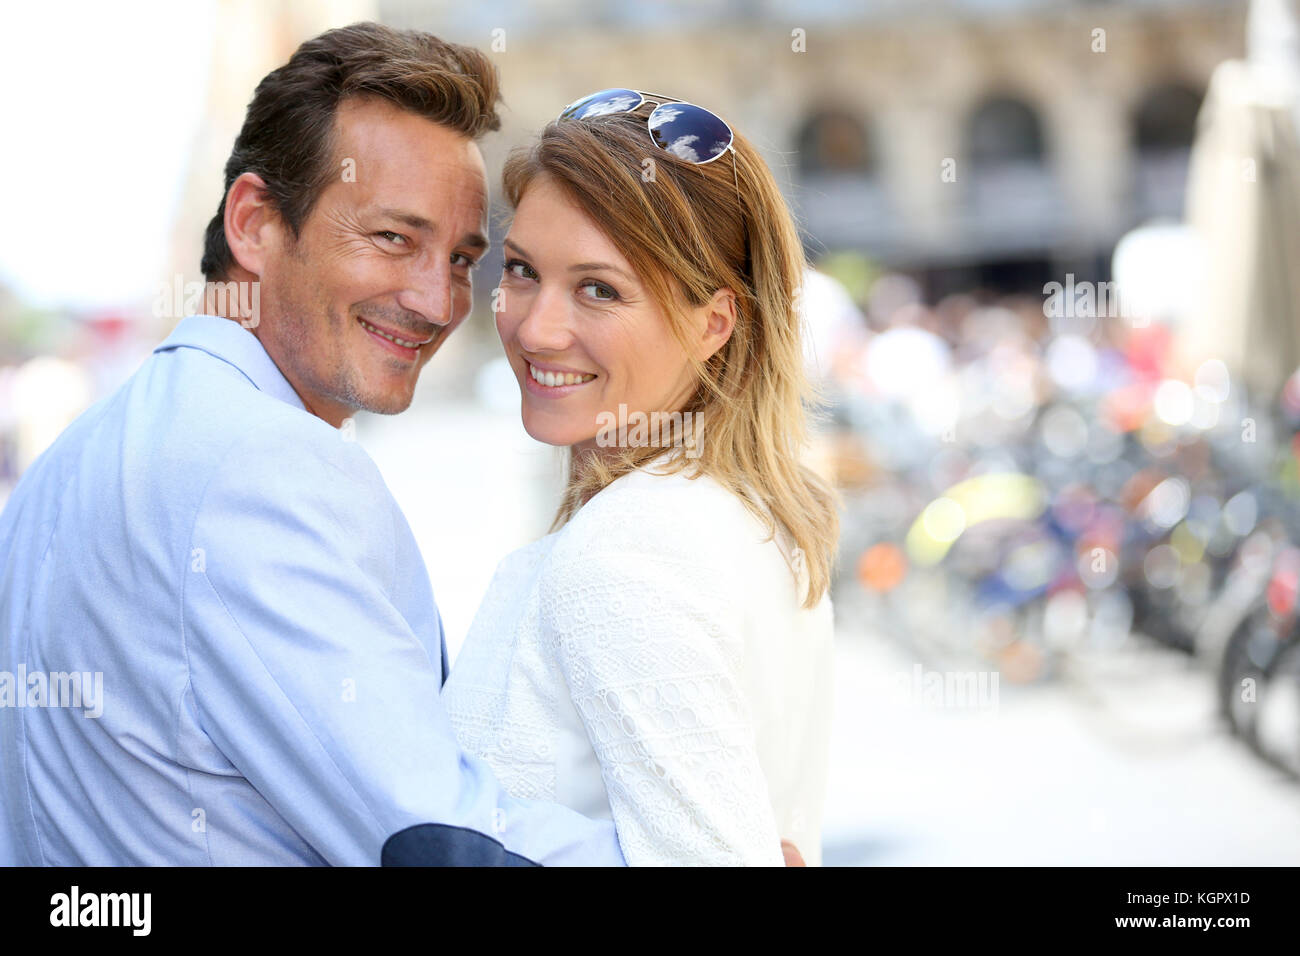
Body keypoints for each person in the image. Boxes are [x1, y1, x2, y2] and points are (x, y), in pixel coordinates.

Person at [1, 24, 631, 866]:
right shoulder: (263, 461)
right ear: (256, 224)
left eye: (460, 259)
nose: (437, 301)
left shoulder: (69, 462)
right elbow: (436, 837)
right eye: (393, 239)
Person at [442, 89, 839, 864]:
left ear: (713, 324)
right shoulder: (749, 518)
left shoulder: (629, 552)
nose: (534, 327)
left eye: (599, 289)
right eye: (520, 270)